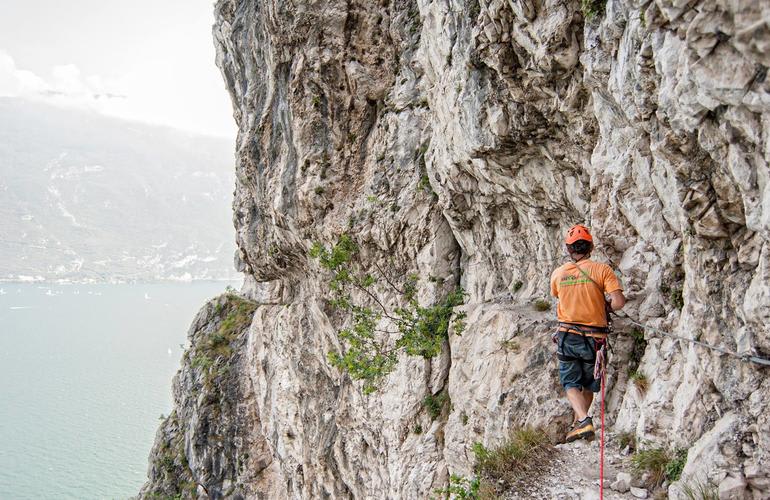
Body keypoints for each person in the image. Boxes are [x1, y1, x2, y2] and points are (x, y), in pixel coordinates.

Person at [550, 224, 626, 442]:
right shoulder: (602, 270)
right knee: (589, 382)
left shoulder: (559, 273)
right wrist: (606, 306)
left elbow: (557, 295)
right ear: (591, 246)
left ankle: (583, 420)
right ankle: (579, 423)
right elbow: (619, 302)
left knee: (569, 382)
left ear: (568, 249)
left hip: (568, 334)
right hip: (595, 337)